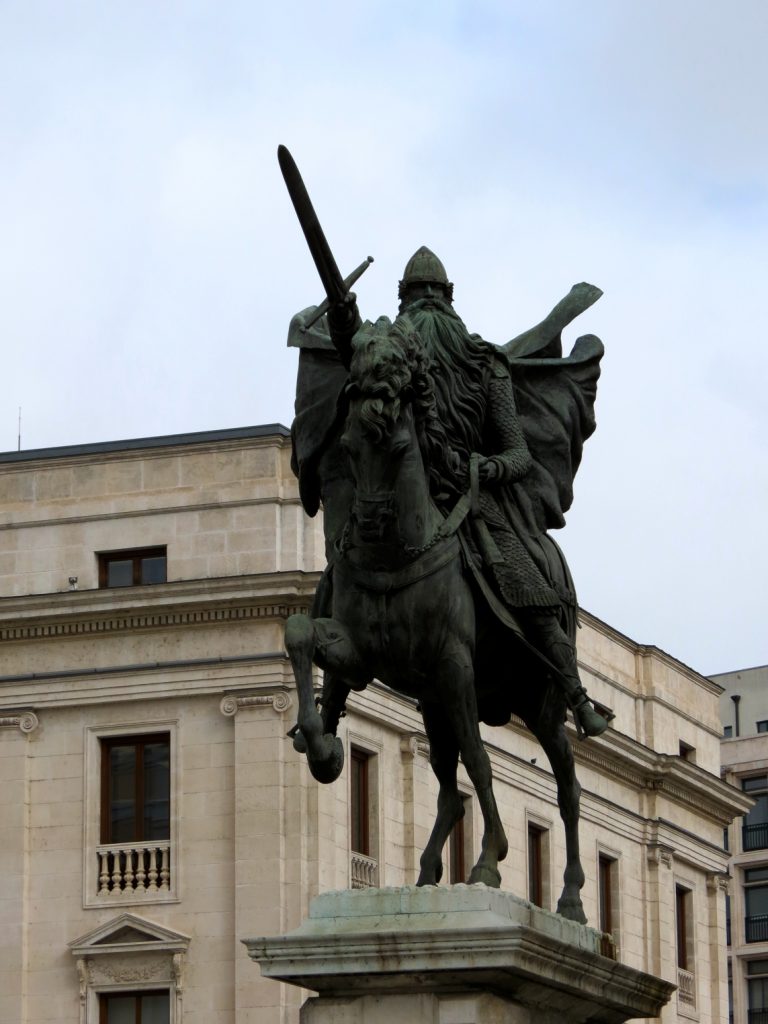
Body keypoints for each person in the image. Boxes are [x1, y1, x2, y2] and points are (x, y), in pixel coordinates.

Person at [291, 247, 610, 738]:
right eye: (419, 299)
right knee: (342, 573)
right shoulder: (392, 359)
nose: (426, 309)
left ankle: (574, 692)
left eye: (431, 298)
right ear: (404, 305)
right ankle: (328, 710)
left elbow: (519, 455)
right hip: (397, 492)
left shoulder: (486, 365)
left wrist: (482, 466)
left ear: (447, 304)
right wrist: (342, 314)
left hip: (474, 499)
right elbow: (352, 348)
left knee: (526, 576)